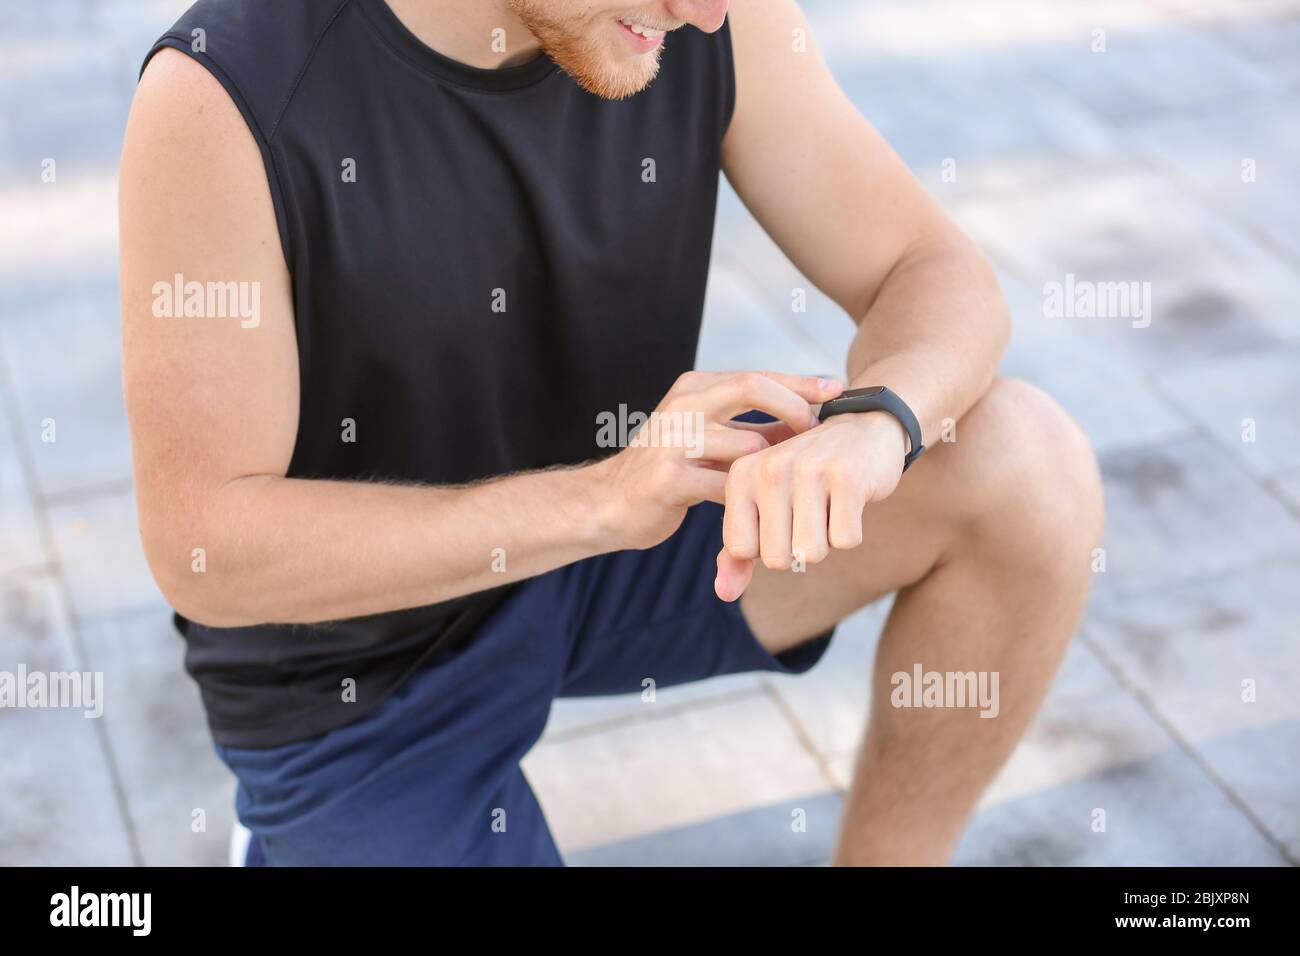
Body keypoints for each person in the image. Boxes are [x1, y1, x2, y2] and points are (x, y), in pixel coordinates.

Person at [118, 0, 1104, 866]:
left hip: (620, 539)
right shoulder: (221, 93)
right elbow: (202, 547)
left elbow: (929, 268)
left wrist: (876, 422)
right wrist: (599, 500)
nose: (707, 11)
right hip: (357, 670)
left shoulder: (701, 18)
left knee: (1021, 462)